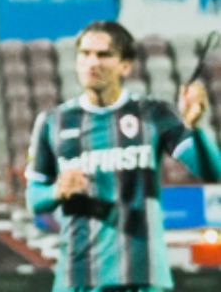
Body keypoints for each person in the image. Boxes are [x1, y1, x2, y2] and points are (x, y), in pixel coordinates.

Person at [26, 19, 221, 290]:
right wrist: (56, 191)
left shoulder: (154, 114)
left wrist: (196, 128)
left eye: (103, 54)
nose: (92, 62)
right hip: (80, 279)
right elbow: (35, 198)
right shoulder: (53, 122)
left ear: (125, 66)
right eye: (85, 53)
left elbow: (212, 172)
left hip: (143, 278)